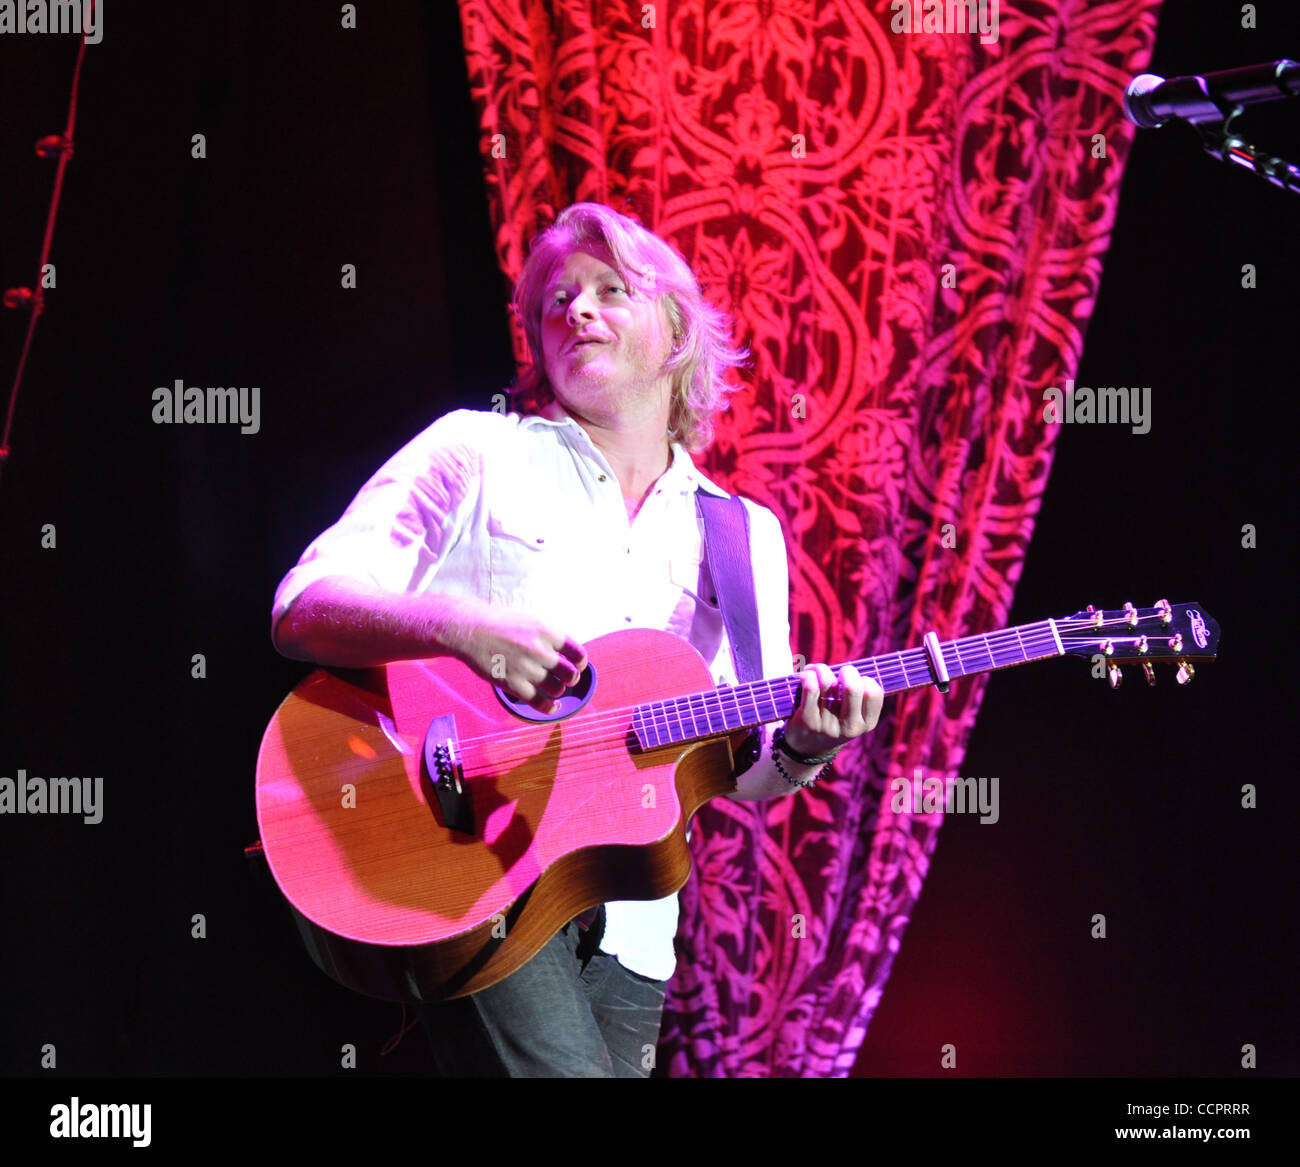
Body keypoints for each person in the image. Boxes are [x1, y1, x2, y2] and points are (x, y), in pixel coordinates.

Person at [270, 202, 884, 1077]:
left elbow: (735, 771)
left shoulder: (743, 535)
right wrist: (465, 630)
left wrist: (804, 747)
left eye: (608, 289)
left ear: (676, 330)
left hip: (633, 931)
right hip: (472, 859)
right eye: (556, 298)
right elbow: (303, 605)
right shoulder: (476, 451)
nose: (575, 309)